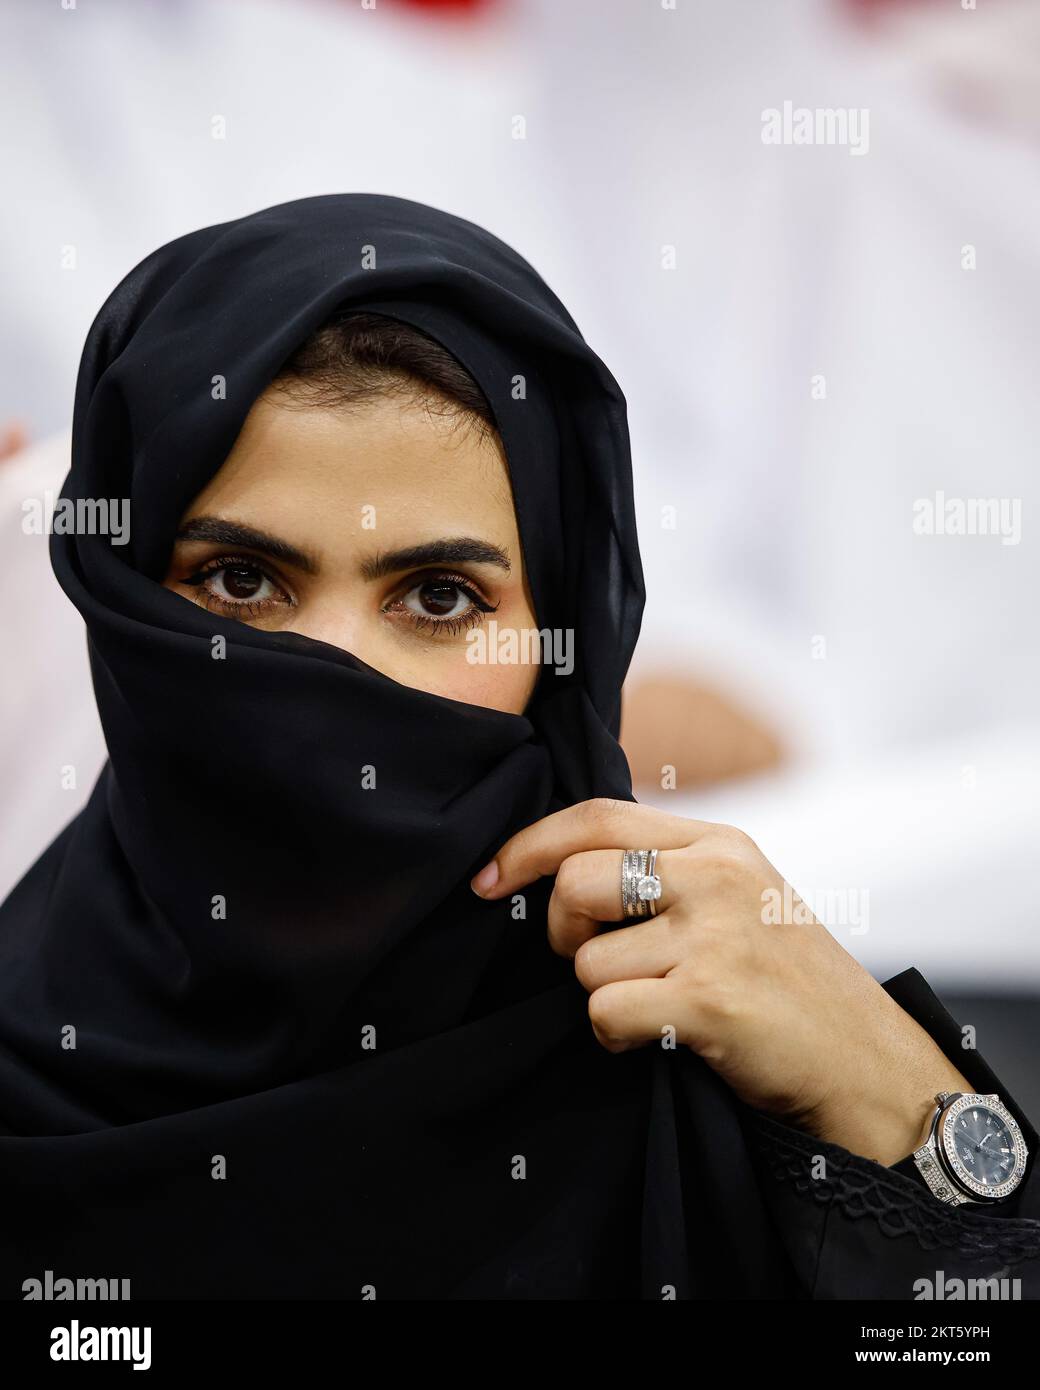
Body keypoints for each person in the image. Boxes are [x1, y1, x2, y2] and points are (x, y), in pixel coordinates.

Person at [0, 194, 1037, 1300]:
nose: (336, 673)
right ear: (119, 598)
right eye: (241, 580)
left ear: (560, 643)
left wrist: (896, 1102)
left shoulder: (729, 1045)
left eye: (438, 596)